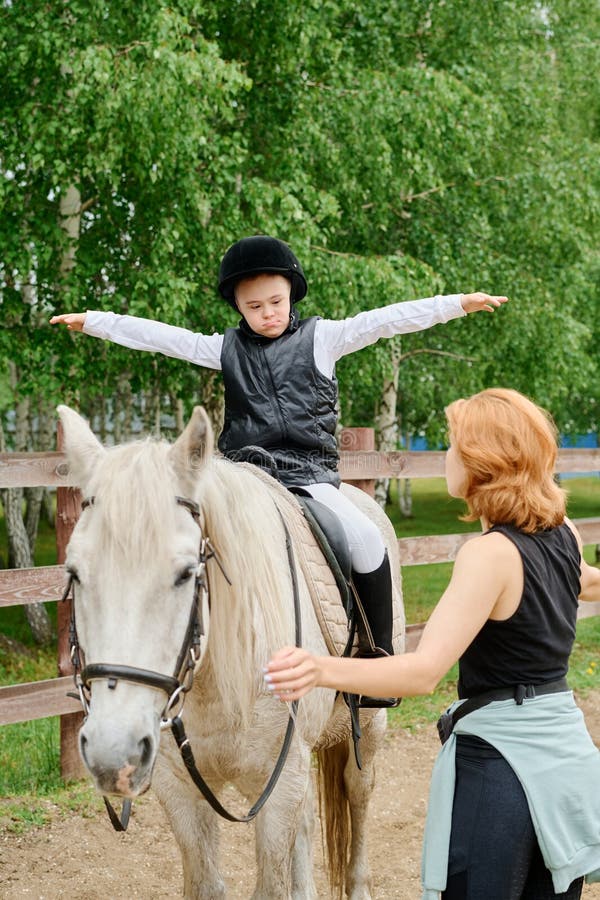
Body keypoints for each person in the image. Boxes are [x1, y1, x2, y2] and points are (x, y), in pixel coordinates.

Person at [50, 235, 508, 707]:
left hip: (309, 475)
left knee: (369, 540)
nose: (267, 313)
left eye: (276, 301)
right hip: (244, 477)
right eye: (254, 307)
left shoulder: (324, 338)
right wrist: (95, 322)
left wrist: (457, 304)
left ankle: (375, 657)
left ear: (292, 293)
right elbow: (159, 337)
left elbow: (387, 320)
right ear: (238, 307)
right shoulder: (223, 348)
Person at [264, 387, 600, 899]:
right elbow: (585, 581)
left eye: (453, 445)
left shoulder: (489, 556)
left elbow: (422, 672)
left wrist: (319, 668)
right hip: (566, 762)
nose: (447, 456)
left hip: (503, 767)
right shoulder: (564, 533)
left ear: (482, 461)